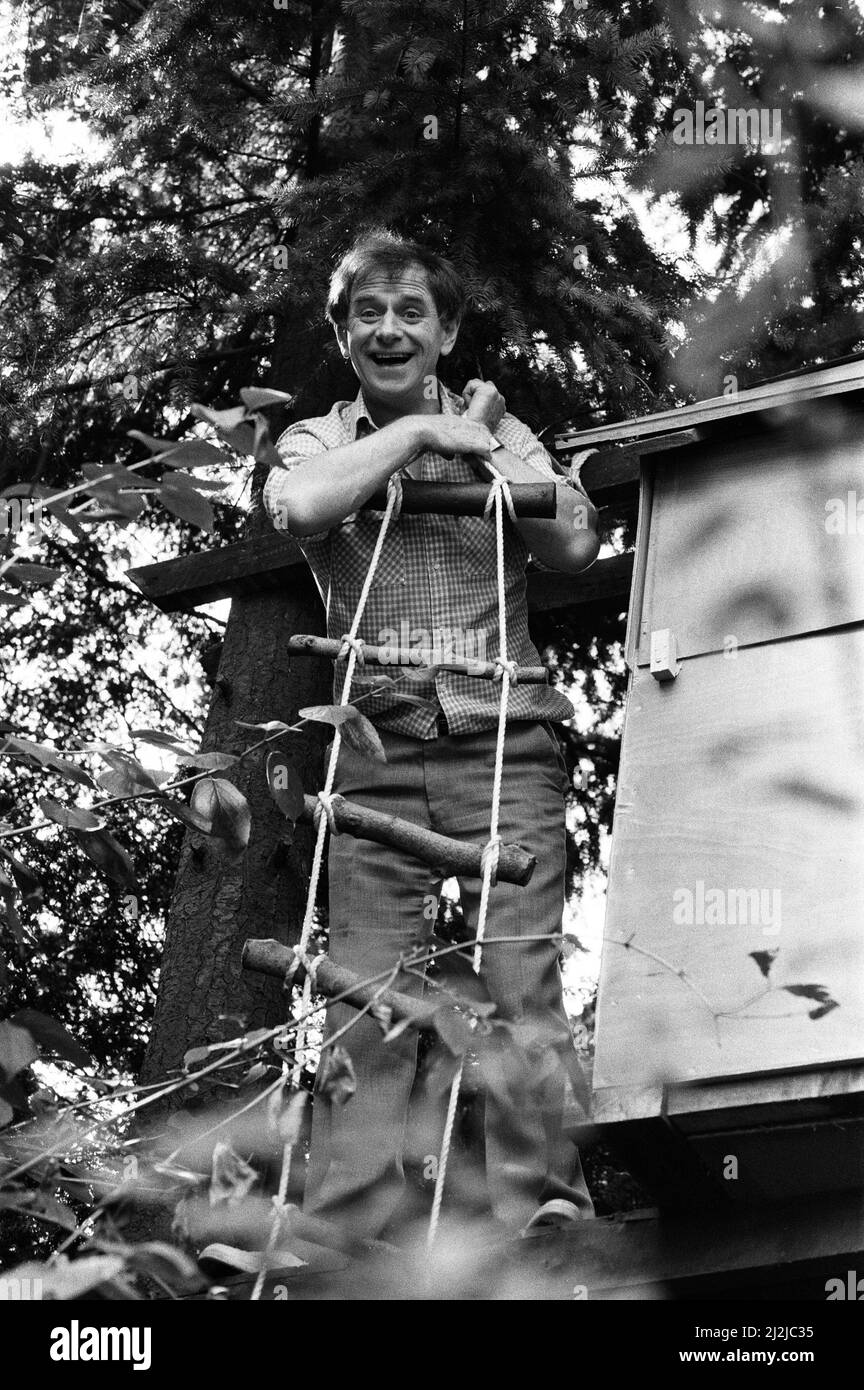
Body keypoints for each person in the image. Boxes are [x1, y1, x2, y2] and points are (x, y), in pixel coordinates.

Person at [263, 229, 600, 1247]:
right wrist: (415, 439)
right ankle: (354, 1218)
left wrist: (487, 447)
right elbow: (301, 507)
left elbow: (574, 541)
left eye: (413, 312)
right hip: (376, 756)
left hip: (507, 749)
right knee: (369, 988)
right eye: (368, 313)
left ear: (446, 330)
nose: (390, 329)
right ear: (342, 334)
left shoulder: (507, 430)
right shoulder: (319, 439)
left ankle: (542, 1199)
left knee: (515, 973)